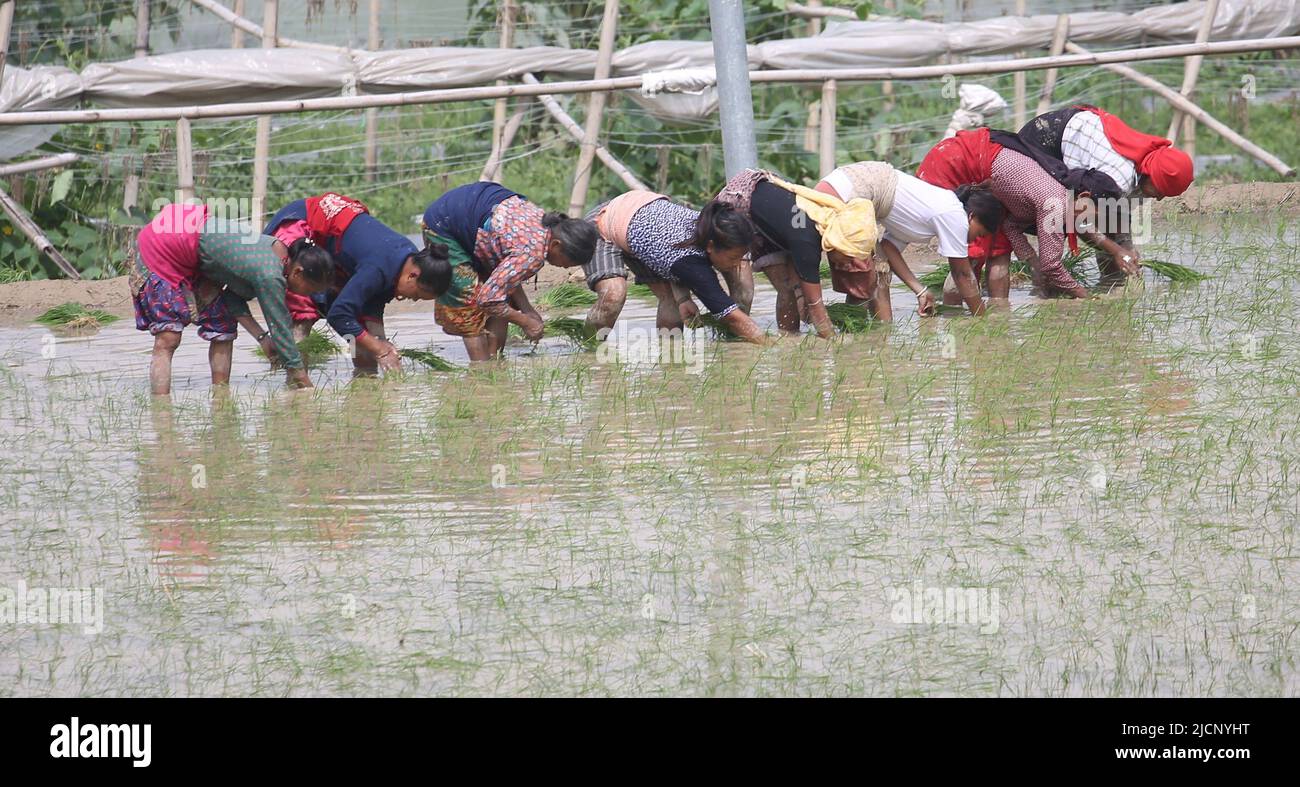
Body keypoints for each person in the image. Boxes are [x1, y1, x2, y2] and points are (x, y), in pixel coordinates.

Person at [132, 202, 336, 395]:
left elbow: (232, 299)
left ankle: (221, 399)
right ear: (298, 273)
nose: (308, 296)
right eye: (310, 289)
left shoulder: (278, 254)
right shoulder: (270, 275)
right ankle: (161, 411)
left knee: (223, 326)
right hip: (163, 243)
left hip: (192, 252)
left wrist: (263, 340)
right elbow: (280, 326)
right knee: (168, 338)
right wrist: (303, 383)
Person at [916, 127, 1135, 303]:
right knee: (970, 252)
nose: (1093, 220)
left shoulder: (1059, 188)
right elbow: (1052, 266)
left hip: (963, 156)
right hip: (958, 165)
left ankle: (997, 316)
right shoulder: (1056, 203)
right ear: (1085, 196)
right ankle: (955, 318)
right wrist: (1086, 297)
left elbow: (1011, 226)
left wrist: (1032, 261)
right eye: (1097, 213)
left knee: (998, 250)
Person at [265, 193, 453, 375]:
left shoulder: (407, 260)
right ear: (412, 276)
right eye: (418, 295)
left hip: (337, 252)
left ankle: (365, 377)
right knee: (302, 317)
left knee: (360, 328)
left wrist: (382, 345)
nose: (412, 299)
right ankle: (298, 387)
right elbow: (339, 315)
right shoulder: (379, 267)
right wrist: (379, 349)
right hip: (304, 232)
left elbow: (371, 306)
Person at [421, 182, 597, 360]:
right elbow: (487, 299)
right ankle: (481, 371)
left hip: (473, 213)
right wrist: (525, 321)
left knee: (502, 299)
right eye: (569, 261)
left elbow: (507, 278)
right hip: (443, 225)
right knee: (468, 303)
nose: (566, 267)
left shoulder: (545, 226)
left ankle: (495, 362)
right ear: (556, 245)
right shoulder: (532, 253)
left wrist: (527, 309)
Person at [1017, 105, 1195, 281]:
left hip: (1070, 135)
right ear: (1151, 176)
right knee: (1055, 217)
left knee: (1106, 218)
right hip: (1043, 140)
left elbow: (1119, 213)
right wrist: (1116, 250)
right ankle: (1045, 279)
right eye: (1160, 190)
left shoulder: (1144, 168)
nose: (1159, 198)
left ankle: (1111, 281)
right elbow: (1073, 214)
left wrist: (1127, 246)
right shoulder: (1119, 176)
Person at [813, 161, 1008, 318]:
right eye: (980, 233)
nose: (975, 239)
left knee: (874, 272)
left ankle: (863, 331)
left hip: (839, 185)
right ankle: (878, 332)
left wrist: (921, 291)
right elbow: (962, 275)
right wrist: (981, 318)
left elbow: (888, 248)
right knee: (873, 275)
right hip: (849, 192)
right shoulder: (955, 215)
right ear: (972, 217)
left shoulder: (933, 209)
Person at [574, 190, 766, 342]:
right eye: (733, 258)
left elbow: (673, 263)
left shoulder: (712, 229)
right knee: (613, 295)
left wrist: (683, 299)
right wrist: (768, 345)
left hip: (645, 228)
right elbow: (729, 315)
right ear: (710, 246)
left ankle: (670, 356)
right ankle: (588, 348)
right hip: (604, 222)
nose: (735, 265)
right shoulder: (689, 258)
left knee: (671, 300)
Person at [714, 169, 878, 338]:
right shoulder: (807, 243)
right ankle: (734, 341)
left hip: (777, 217)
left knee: (789, 287)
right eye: (850, 257)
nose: (850, 265)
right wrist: (833, 343)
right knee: (745, 293)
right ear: (838, 244)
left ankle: (789, 338)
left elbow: (807, 299)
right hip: (739, 202)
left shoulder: (826, 220)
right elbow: (816, 306)